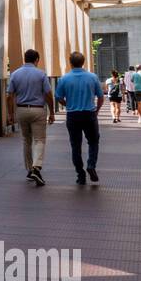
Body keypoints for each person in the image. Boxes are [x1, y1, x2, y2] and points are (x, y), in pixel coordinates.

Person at [6, 49, 56, 186]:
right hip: (38, 110)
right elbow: (48, 94)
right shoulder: (41, 74)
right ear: (37, 60)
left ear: (25, 58)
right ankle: (36, 167)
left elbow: (9, 96)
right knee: (39, 140)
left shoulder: (15, 74)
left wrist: (10, 114)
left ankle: (29, 170)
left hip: (21, 109)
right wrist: (52, 112)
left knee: (26, 140)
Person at [55, 51, 104, 185]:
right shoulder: (92, 77)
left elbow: (58, 96)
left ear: (70, 63)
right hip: (89, 114)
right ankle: (91, 165)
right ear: (83, 62)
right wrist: (97, 111)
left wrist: (67, 104)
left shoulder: (64, 79)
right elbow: (101, 97)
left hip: (73, 116)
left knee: (75, 146)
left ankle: (80, 174)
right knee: (93, 141)